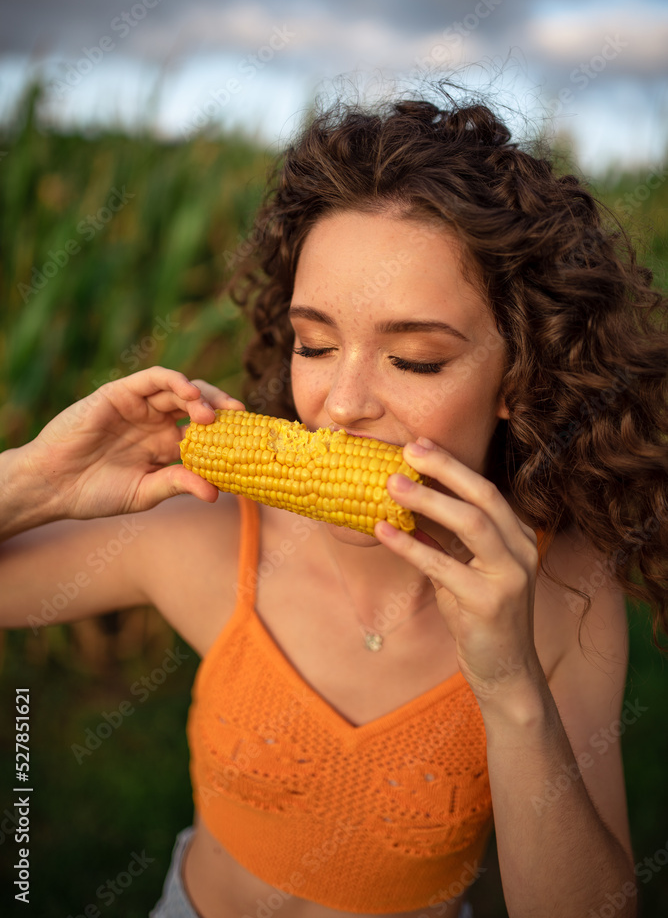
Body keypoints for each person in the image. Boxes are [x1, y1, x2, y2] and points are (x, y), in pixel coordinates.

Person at [1, 86, 666, 918]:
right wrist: (31, 481)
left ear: (516, 376)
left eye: (415, 359)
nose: (341, 403)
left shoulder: (563, 593)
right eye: (316, 344)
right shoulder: (209, 527)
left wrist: (510, 688)